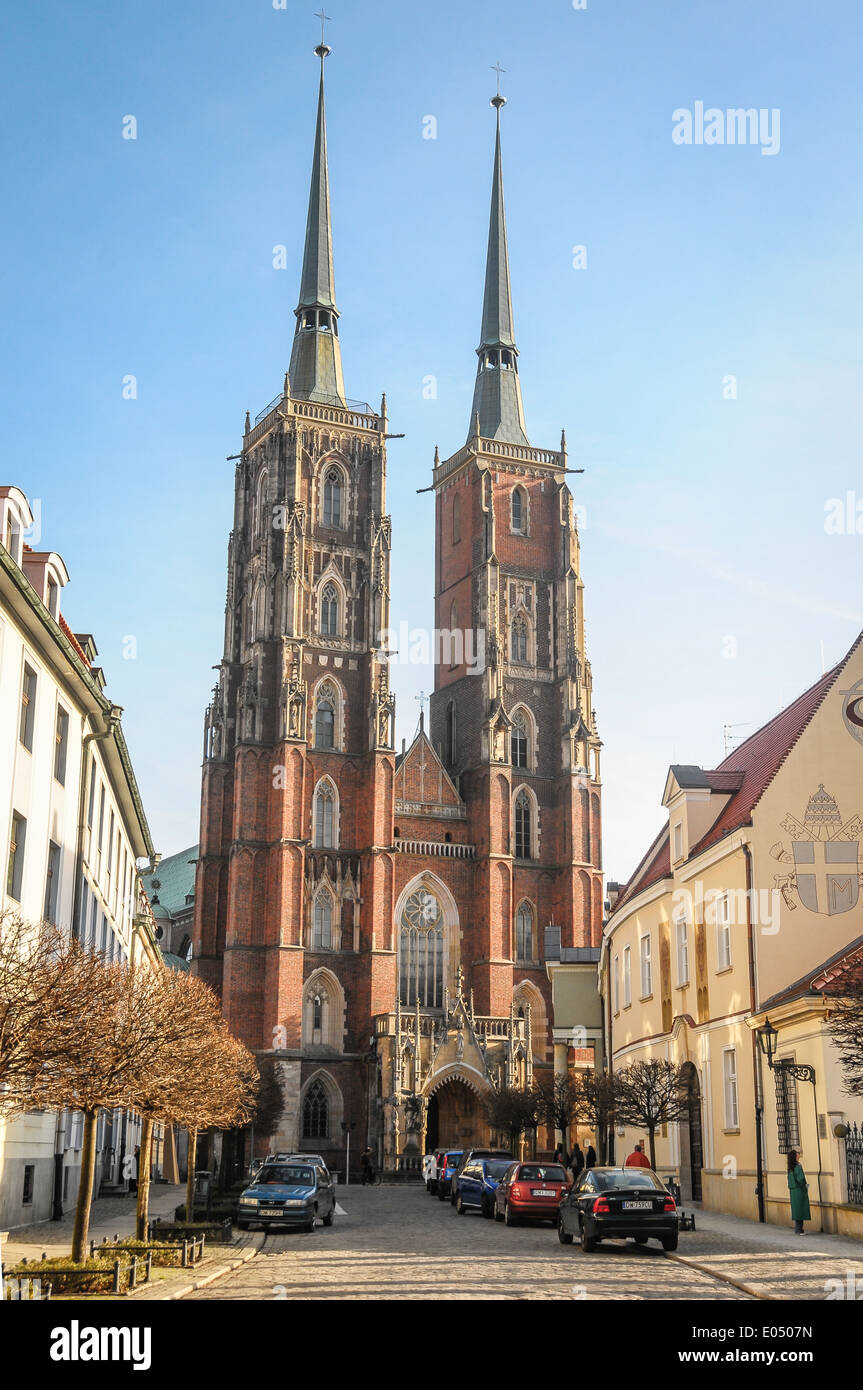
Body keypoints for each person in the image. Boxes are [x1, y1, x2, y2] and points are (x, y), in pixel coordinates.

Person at [787, 1149, 811, 1234]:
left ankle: (798, 1228)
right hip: (799, 1190)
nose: (799, 1154)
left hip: (793, 1191)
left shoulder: (790, 1168)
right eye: (797, 1153)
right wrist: (805, 1185)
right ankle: (799, 1229)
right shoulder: (797, 1167)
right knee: (801, 1210)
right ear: (795, 1156)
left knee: (797, 1210)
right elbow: (800, 1179)